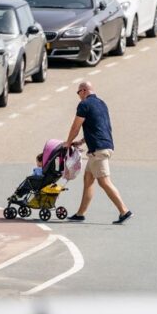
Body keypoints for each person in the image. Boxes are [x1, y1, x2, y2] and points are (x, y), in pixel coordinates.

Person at [64, 81, 132, 224]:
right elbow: (97, 126)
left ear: (83, 91)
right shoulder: (102, 103)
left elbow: (75, 127)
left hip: (98, 150)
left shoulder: (84, 105)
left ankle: (124, 210)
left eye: (78, 93)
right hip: (104, 146)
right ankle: (80, 213)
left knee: (104, 181)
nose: (78, 96)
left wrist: (68, 142)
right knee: (88, 179)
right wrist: (82, 142)